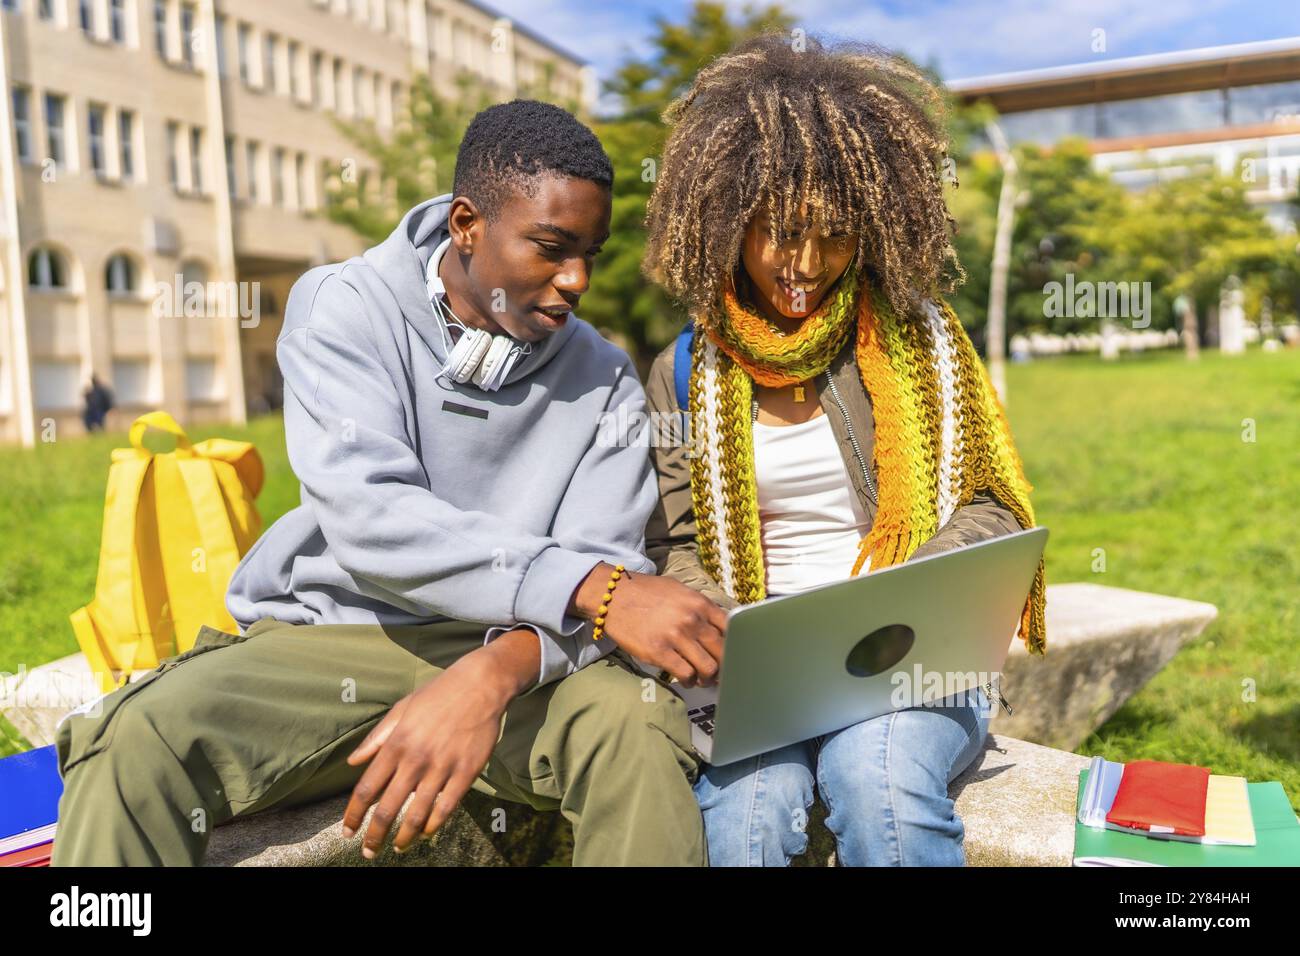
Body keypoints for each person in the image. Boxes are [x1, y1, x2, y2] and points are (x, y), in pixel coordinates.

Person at [51, 100, 728, 867]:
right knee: (132, 740)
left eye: (592, 253)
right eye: (551, 247)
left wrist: (491, 672)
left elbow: (605, 563)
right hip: (339, 633)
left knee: (636, 729)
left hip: (520, 652)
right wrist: (594, 587)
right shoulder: (343, 307)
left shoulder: (602, 375)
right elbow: (373, 518)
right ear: (467, 223)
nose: (575, 280)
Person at [640, 35, 1048, 866]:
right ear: (726, 220)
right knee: (747, 819)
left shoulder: (923, 342)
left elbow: (994, 503)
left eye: (834, 236)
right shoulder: (679, 373)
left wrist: (919, 586)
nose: (806, 264)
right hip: (758, 680)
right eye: (780, 233)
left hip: (912, 664)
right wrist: (732, 634)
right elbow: (672, 545)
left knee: (877, 778)